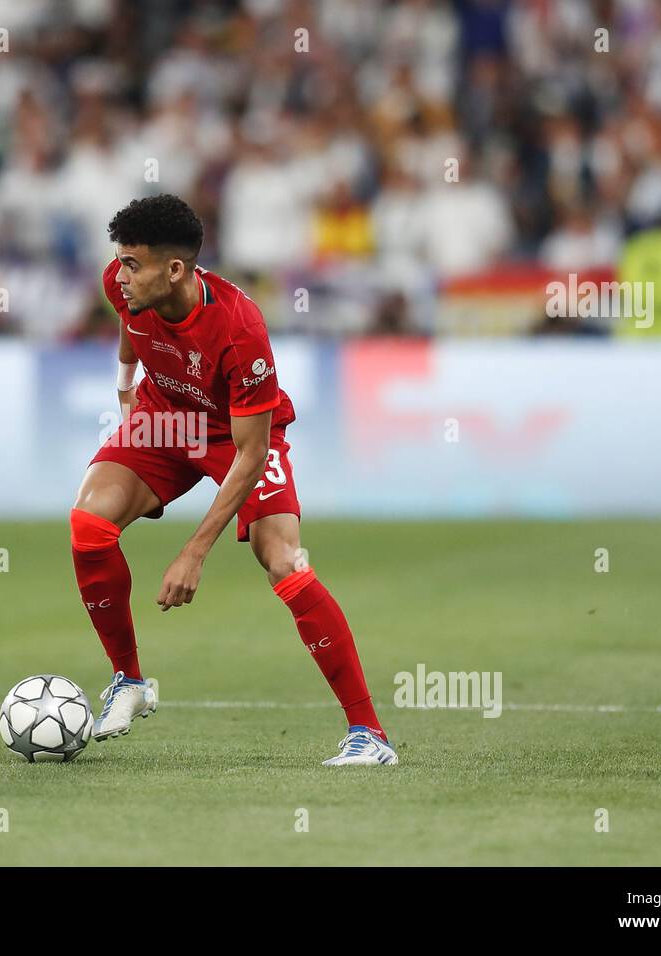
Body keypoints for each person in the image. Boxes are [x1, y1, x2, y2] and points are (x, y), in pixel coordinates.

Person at [70, 195, 397, 766]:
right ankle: (129, 681)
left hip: (237, 437)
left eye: (132, 265)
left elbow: (250, 453)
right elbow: (130, 334)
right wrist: (126, 397)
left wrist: (194, 552)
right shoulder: (123, 286)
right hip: (165, 418)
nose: (119, 276)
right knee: (88, 523)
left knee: (284, 561)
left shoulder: (240, 329)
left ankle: (369, 734)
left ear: (175, 270)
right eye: (119, 261)